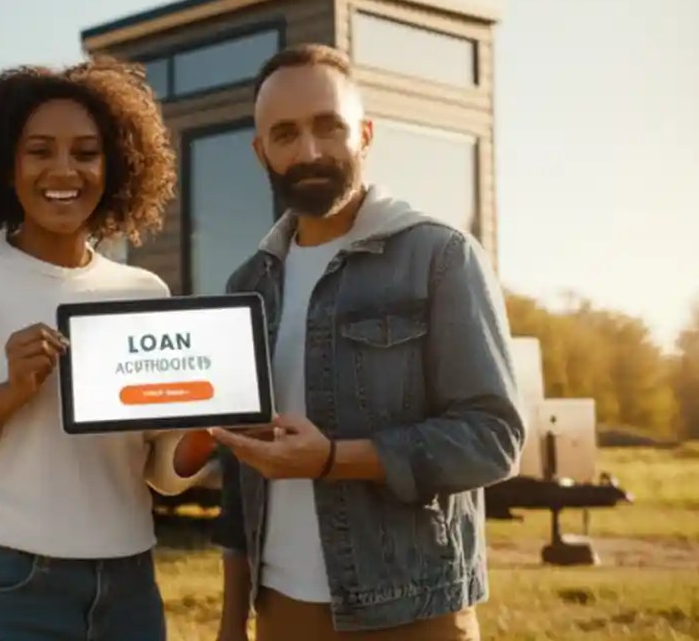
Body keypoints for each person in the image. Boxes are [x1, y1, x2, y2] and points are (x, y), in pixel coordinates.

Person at [193, 43, 527, 640]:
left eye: (329, 127)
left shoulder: (440, 257)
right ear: (261, 151)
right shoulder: (248, 285)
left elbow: (494, 438)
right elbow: (241, 473)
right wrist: (231, 619)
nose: (309, 152)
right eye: (286, 134)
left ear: (365, 135)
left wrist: (332, 460)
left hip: (413, 610)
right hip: (282, 613)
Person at [0, 57, 210, 641]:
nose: (64, 170)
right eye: (39, 151)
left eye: (86, 152)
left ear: (114, 167)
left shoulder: (143, 292)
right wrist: (5, 397)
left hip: (129, 590)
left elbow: (158, 470)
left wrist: (207, 431)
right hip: (2, 587)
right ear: (7, 167)